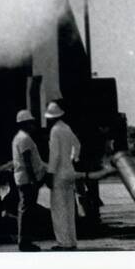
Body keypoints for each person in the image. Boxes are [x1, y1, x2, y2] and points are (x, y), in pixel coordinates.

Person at [45, 101, 81, 251]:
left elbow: (55, 155)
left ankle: (63, 243)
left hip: (59, 173)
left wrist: (50, 173)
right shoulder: (67, 128)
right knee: (69, 208)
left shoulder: (55, 130)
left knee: (58, 210)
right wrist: (74, 159)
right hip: (69, 170)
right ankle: (72, 241)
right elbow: (77, 145)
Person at [12, 109, 47, 251]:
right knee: (27, 212)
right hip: (27, 180)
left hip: (23, 179)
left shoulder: (19, 137)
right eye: (30, 122)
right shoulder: (24, 139)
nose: (33, 125)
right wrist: (34, 180)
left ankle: (25, 240)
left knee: (25, 210)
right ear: (25, 123)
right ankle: (25, 242)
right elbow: (27, 161)